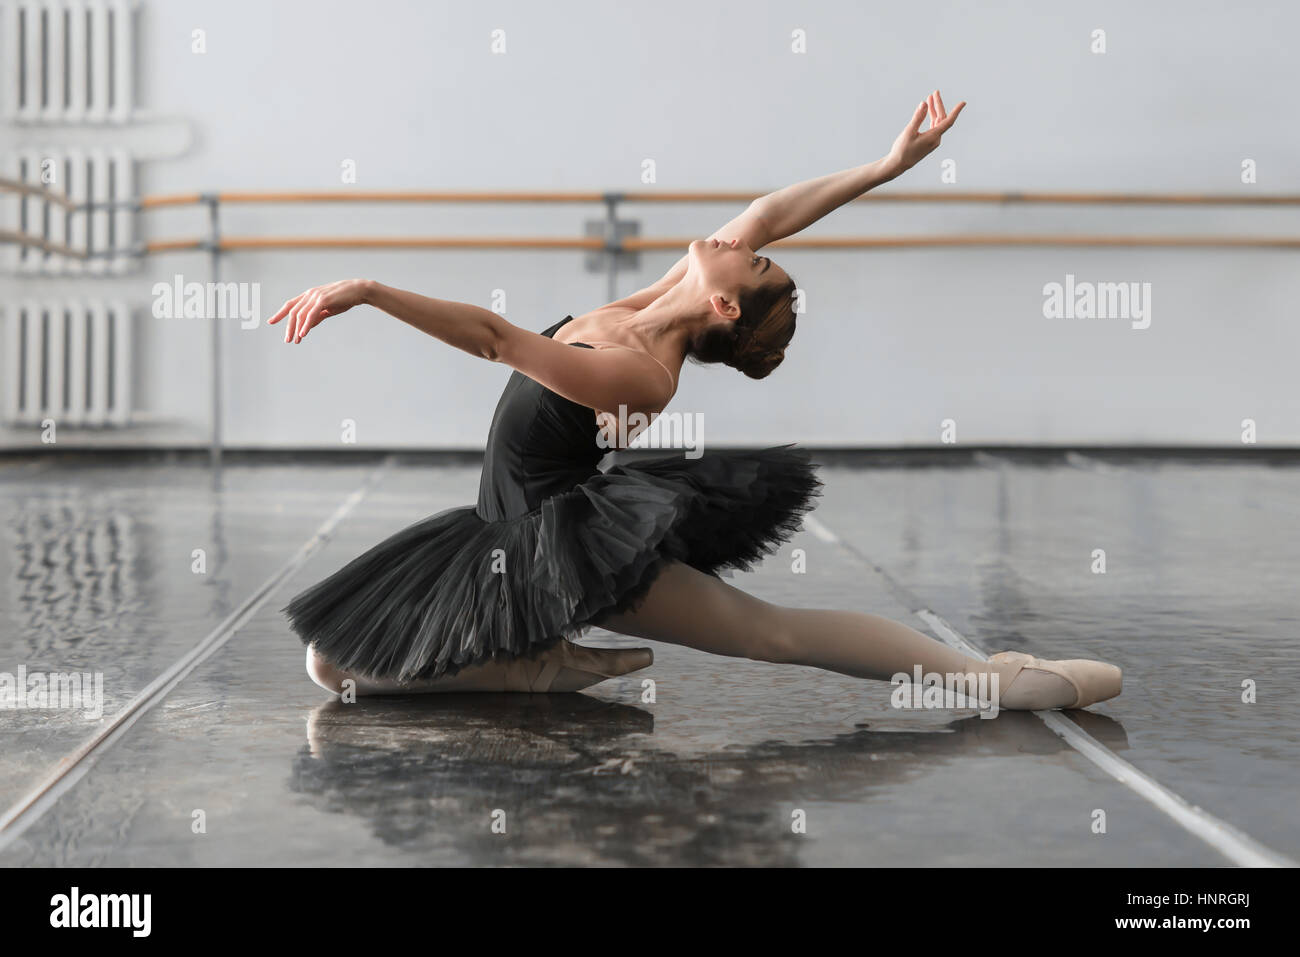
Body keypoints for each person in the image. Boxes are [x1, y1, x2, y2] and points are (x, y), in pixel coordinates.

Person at [270, 91, 1121, 711]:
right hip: (501, 526)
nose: (735, 239)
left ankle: (991, 680)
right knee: (331, 664)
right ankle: (542, 661)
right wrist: (887, 166)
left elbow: (497, 340)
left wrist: (372, 291)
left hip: (564, 546)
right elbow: (768, 211)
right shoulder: (650, 305)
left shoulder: (644, 372)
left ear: (722, 308)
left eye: (746, 262)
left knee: (770, 633)